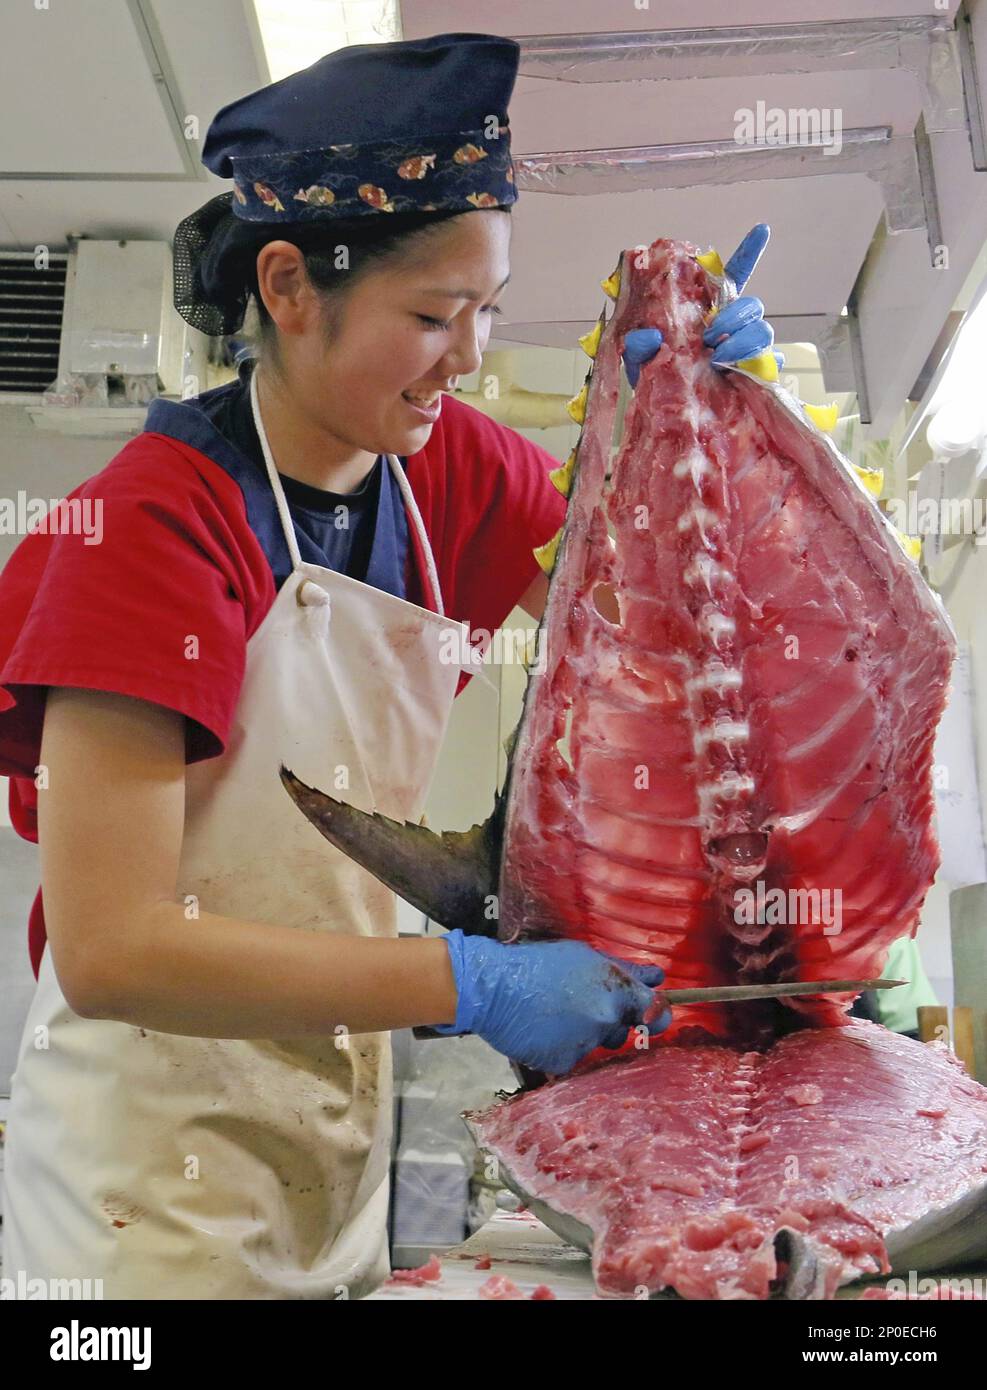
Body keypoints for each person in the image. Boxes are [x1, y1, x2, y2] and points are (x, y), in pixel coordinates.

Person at [0, 33, 776, 1299]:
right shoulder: (151, 530)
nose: (466, 356)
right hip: (135, 1205)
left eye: (488, 309)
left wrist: (701, 413)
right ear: (292, 284)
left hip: (330, 1162)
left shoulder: (449, 473)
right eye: (431, 315)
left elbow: (634, 604)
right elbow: (112, 948)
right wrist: (467, 981)